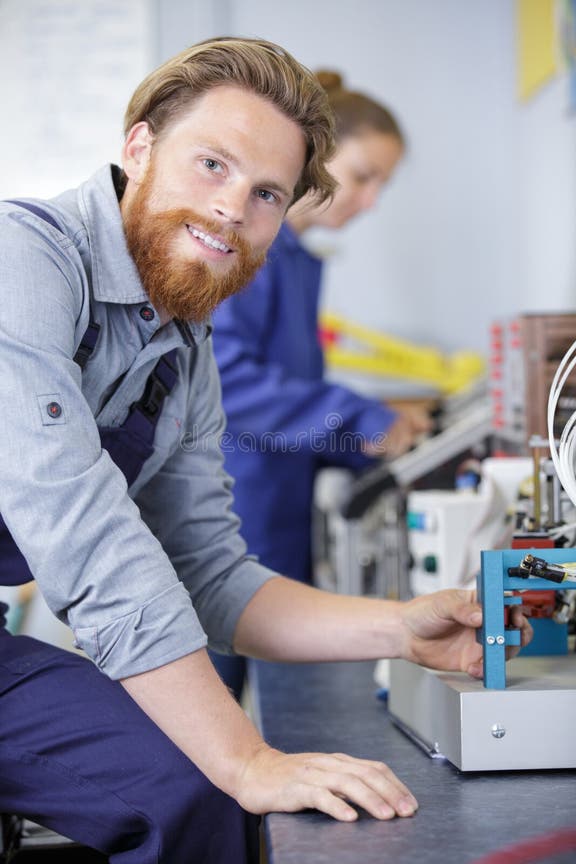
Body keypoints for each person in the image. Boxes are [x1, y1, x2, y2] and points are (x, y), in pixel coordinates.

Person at [0, 37, 531, 864]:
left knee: (198, 785)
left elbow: (210, 572)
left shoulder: (183, 349)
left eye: (266, 193)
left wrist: (402, 628)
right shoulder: (24, 261)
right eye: (212, 164)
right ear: (138, 145)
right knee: (213, 773)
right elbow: (81, 532)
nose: (232, 209)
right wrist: (247, 757)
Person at [210, 71, 429, 696]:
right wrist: (363, 422)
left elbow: (292, 390)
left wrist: (372, 432)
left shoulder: (298, 258)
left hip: (273, 513)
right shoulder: (255, 249)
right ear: (313, 155)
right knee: (203, 726)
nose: (370, 200)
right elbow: (227, 381)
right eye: (363, 177)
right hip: (228, 512)